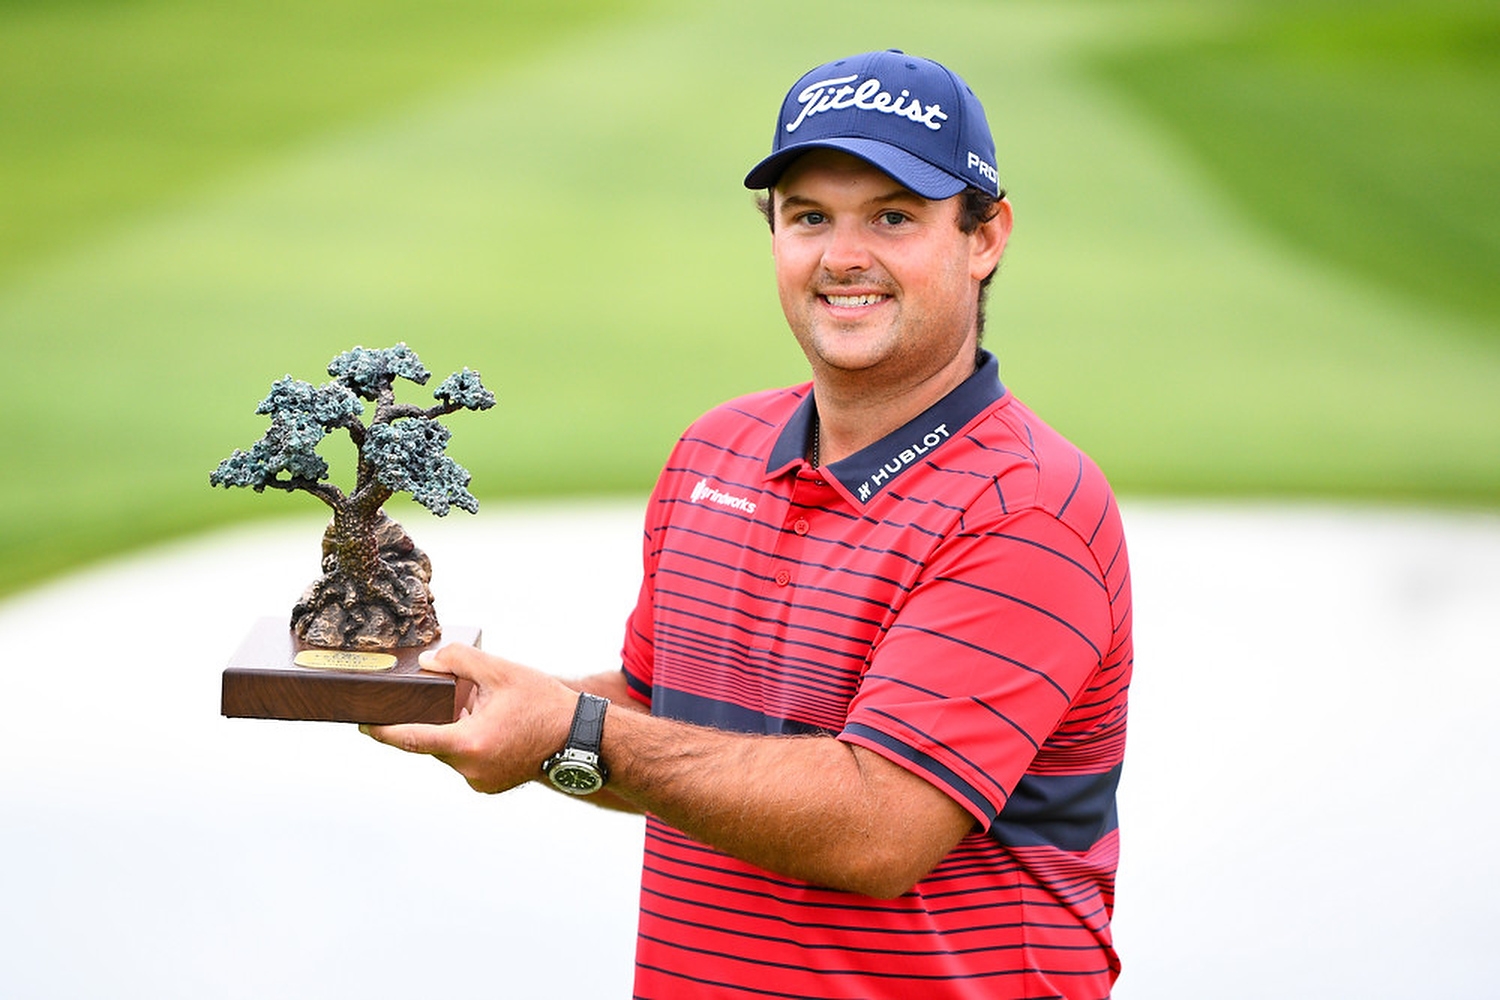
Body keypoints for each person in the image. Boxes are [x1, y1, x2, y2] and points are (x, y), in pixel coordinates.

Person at [365, 48, 1133, 1000]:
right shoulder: (715, 453)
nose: (842, 256)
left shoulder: (1026, 505)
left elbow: (877, 827)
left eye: (893, 216)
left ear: (984, 237)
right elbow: (660, 716)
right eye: (809, 217)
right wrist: (477, 704)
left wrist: (570, 729)